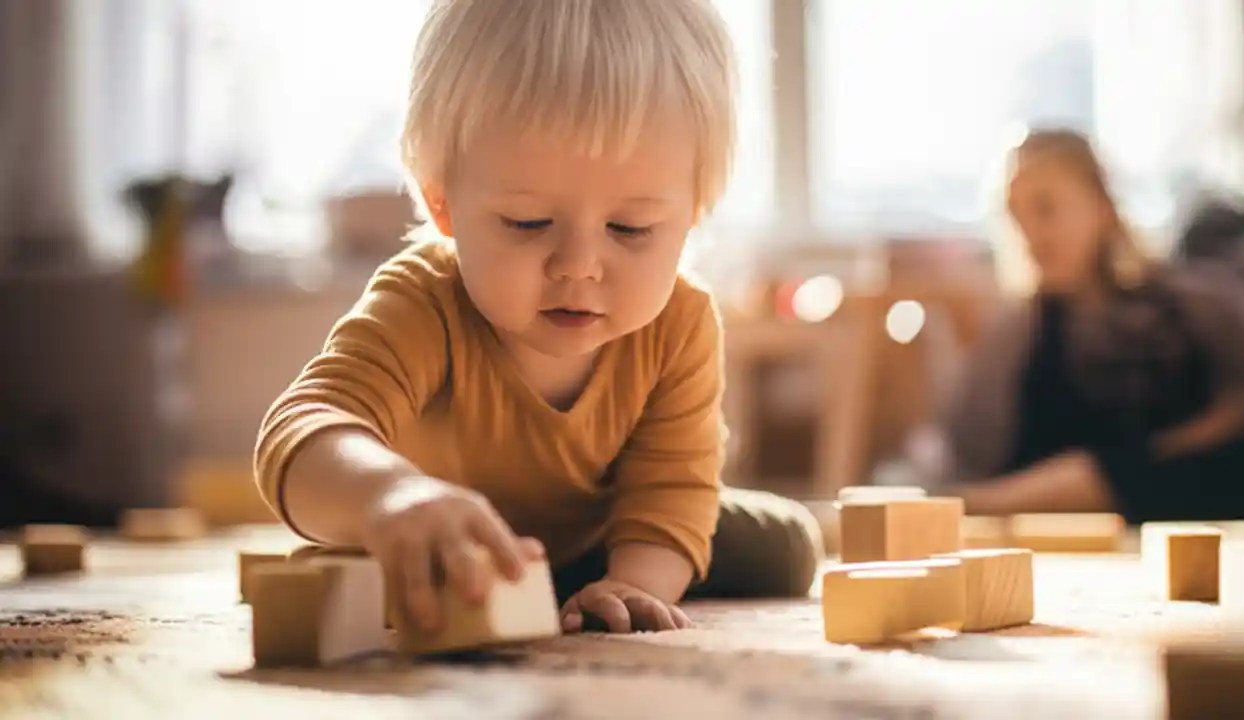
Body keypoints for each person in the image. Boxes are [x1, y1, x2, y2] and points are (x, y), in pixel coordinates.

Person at [253, 0, 821, 638]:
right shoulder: (423, 302)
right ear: (444, 204)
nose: (578, 265)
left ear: (693, 213)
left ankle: (573, 583)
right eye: (527, 223)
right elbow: (304, 430)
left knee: (788, 546)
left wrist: (634, 586)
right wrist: (390, 496)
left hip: (599, 538)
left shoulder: (680, 323)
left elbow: (670, 490)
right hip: (453, 543)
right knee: (354, 568)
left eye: (629, 228)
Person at [939, 129, 1244, 523]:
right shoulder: (1014, 335)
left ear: (1102, 207)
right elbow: (972, 457)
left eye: (1046, 209)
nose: (1030, 234)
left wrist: (1159, 453)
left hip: (1181, 494)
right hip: (1054, 523)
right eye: (1015, 216)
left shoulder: (1197, 302)